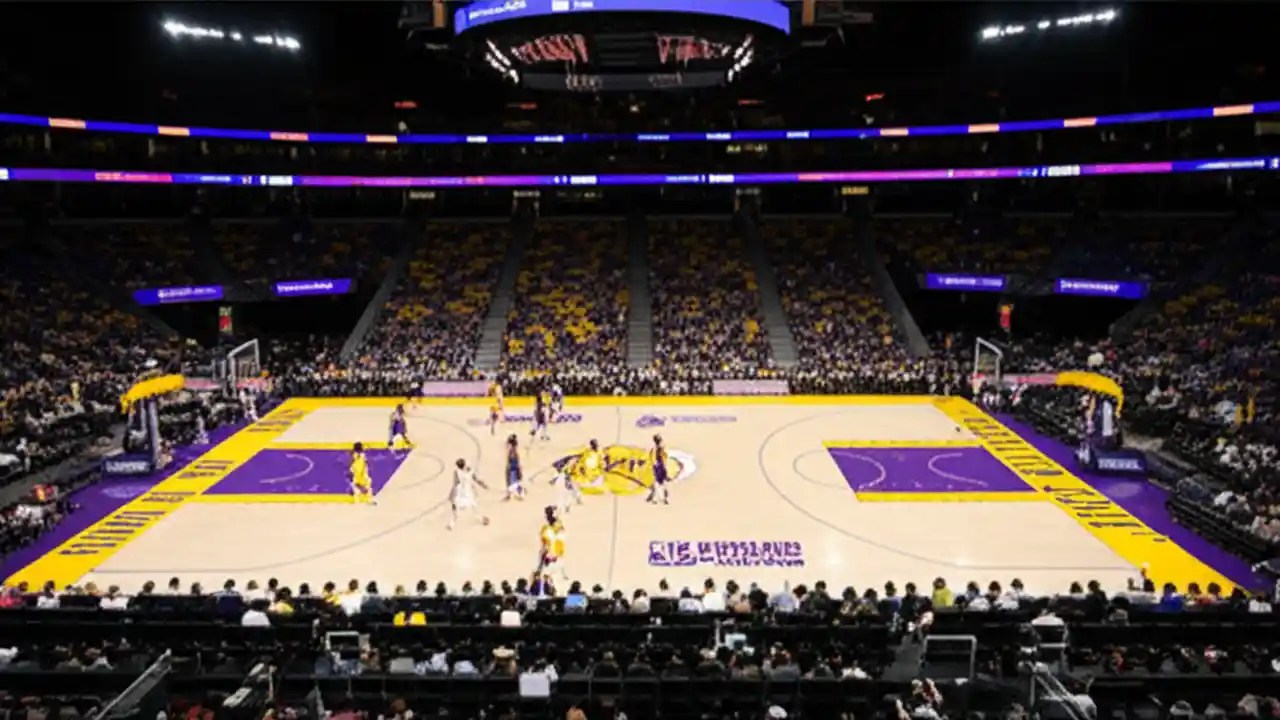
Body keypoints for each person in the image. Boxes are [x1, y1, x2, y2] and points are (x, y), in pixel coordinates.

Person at [448, 458, 489, 530]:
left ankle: (452, 524)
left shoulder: (457, 472)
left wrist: (452, 495)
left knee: (455, 508)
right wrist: (484, 485)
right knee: (474, 507)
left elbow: (455, 484)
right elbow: (477, 479)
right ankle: (482, 519)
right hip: (467, 492)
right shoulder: (469, 471)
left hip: (460, 492)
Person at [538, 505, 567, 584]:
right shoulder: (551, 527)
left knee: (550, 569)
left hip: (553, 552)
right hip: (555, 551)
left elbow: (544, 545)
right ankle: (562, 575)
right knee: (555, 566)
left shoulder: (547, 529)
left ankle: (558, 576)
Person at [646, 434, 670, 505]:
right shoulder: (656, 449)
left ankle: (658, 498)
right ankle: (658, 499)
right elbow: (658, 457)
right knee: (659, 483)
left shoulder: (658, 448)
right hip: (658, 466)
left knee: (660, 483)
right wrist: (656, 465)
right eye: (660, 440)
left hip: (659, 466)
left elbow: (663, 457)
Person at [504, 434, 526, 501]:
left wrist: (510, 467)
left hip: (513, 469)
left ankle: (517, 493)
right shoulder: (513, 452)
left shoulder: (513, 452)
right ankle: (510, 495)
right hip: (513, 468)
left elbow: (514, 462)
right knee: (512, 482)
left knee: (513, 483)